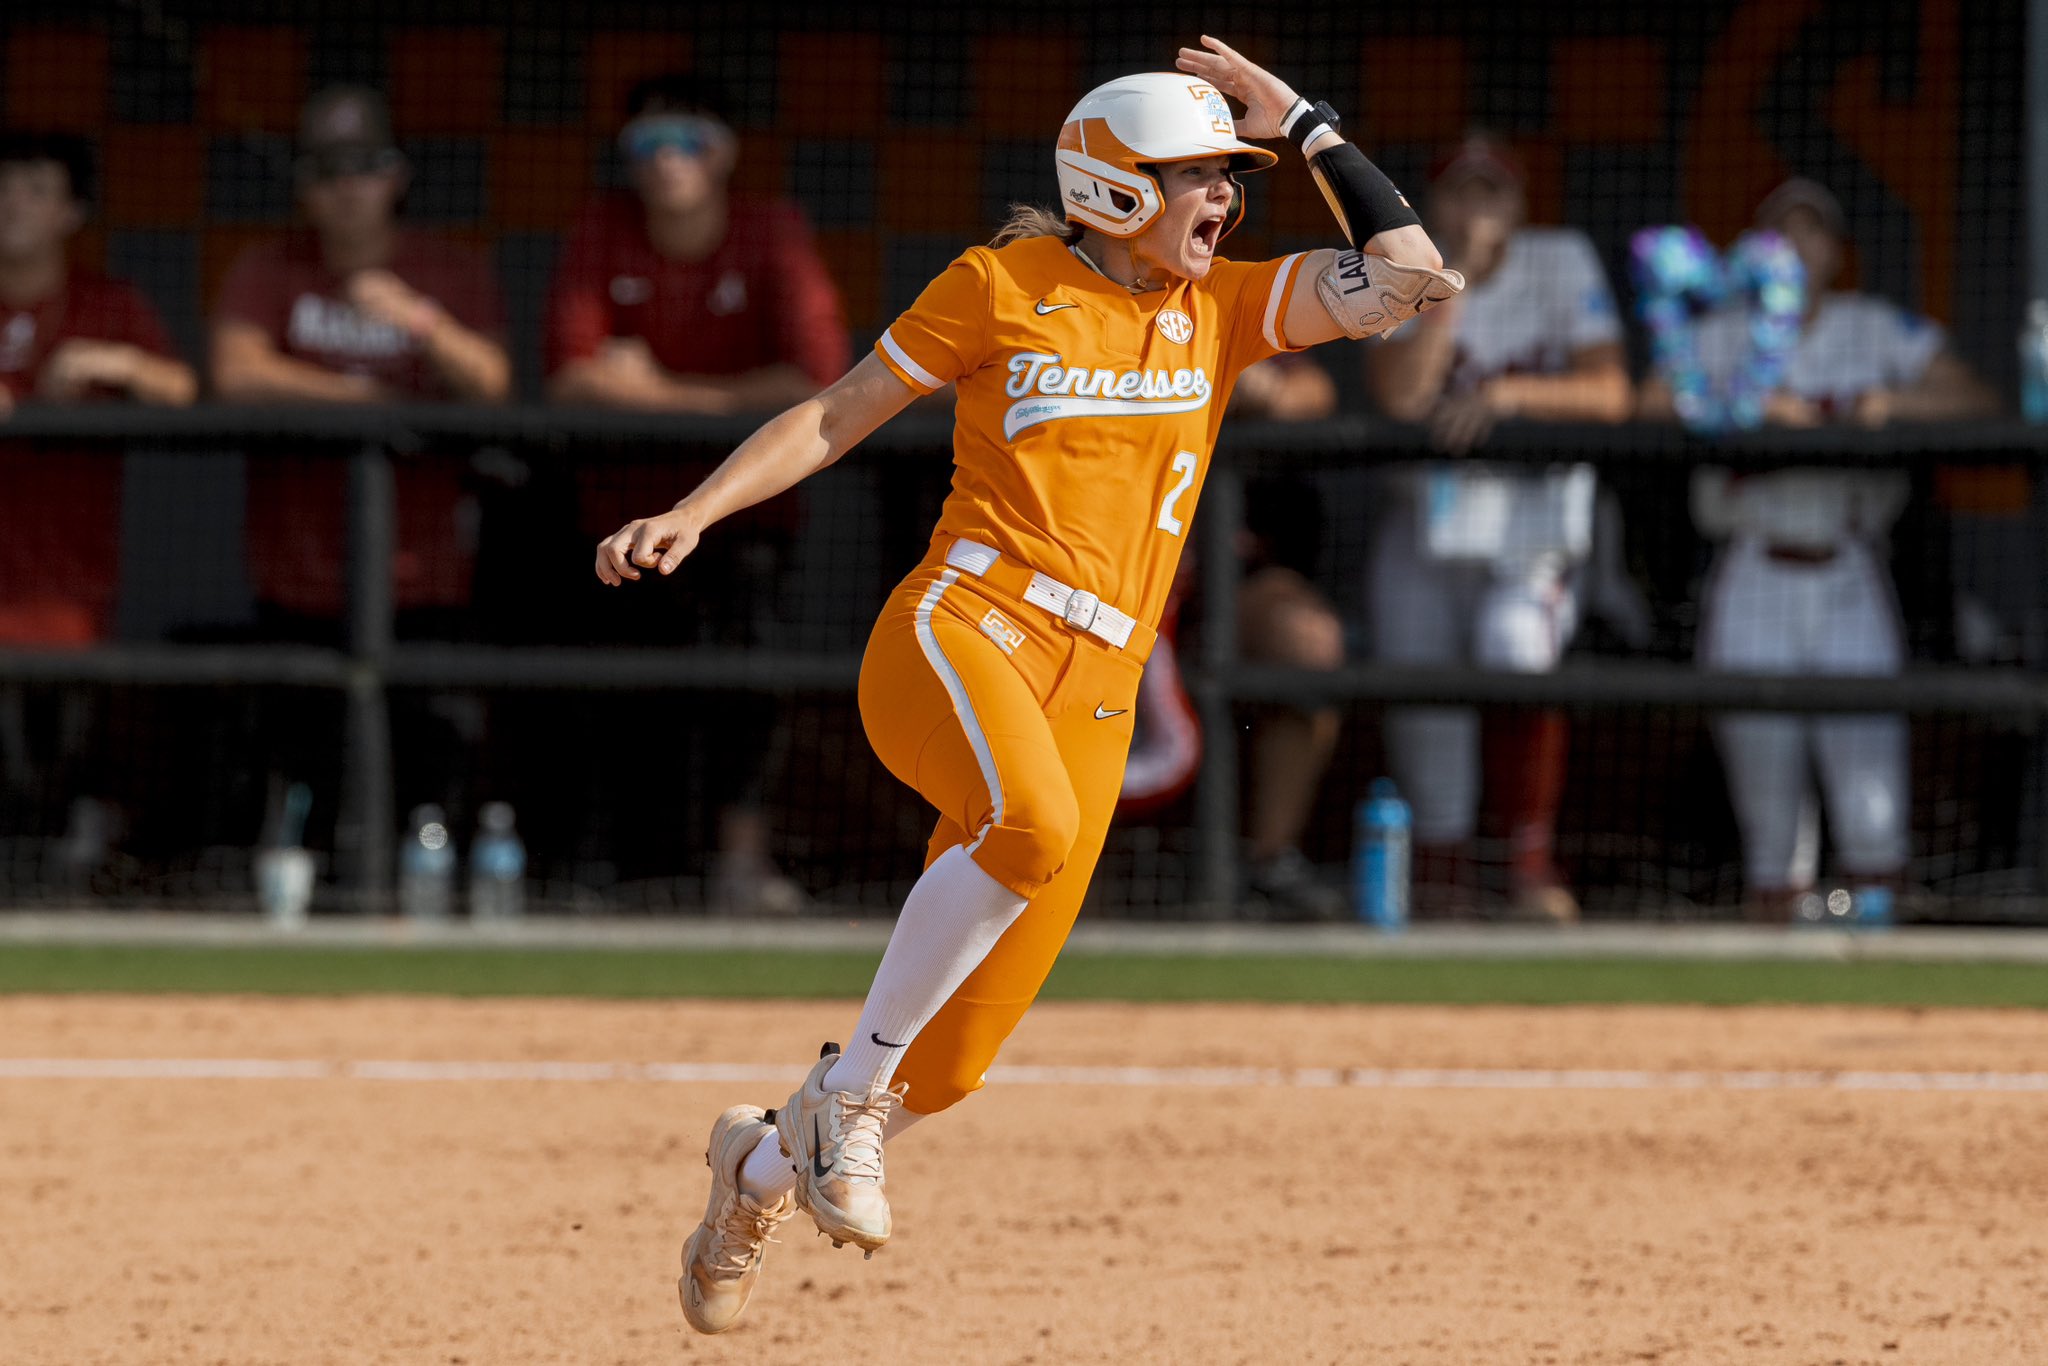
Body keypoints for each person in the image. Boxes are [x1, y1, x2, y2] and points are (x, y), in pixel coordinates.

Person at [594, 39, 1460, 1333]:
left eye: (1229, 178)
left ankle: (760, 1166)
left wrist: (1307, 126)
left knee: (943, 1070)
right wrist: (698, 507)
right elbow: (836, 413)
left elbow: (1413, 279)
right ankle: (840, 1104)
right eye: (1194, 178)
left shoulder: (1220, 305)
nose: (1221, 199)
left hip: (1098, 684)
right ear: (1110, 184)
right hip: (965, 631)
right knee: (1031, 832)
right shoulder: (1003, 284)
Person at [1640, 178, 1999, 920]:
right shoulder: (1723, 329)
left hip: (1849, 568)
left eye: (1813, 233)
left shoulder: (1872, 328)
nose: (1797, 247)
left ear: (1838, 254)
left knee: (1871, 792)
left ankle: (1882, 974)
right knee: (1769, 815)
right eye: (1780, 232)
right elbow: (1642, 404)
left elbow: (1978, 400)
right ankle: (1781, 1000)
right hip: (1752, 565)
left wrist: (1889, 404)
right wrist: (1738, 402)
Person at [547, 72, 851, 914]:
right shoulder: (602, 228)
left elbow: (818, 381)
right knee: (619, 699)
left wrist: (659, 385)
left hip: (742, 523)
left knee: (747, 694)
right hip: (620, 525)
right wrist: (727, 394)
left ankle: (739, 865)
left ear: (723, 153)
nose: (666, 162)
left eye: (687, 140)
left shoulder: (771, 232)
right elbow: (571, 380)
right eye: (647, 143)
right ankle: (611, 872)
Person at [1363, 134, 1632, 921]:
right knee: (1423, 695)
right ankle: (1444, 881)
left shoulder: (1561, 259)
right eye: (1461, 192)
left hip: (1529, 530)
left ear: (1519, 205)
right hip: (1425, 524)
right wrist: (1457, 285)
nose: (1478, 209)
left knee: (1518, 655)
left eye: (1494, 193)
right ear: (1431, 203)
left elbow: (1612, 391)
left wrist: (1510, 397)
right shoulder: (1398, 264)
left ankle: (1526, 868)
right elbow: (1403, 397)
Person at [211, 85, 510, 638]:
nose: (348, 186)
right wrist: (367, 401)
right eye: (328, 170)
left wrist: (422, 321)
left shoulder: (450, 270)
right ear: (304, 183)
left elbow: (493, 384)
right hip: (296, 571)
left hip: (424, 567)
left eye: (366, 166)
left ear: (397, 176)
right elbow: (237, 374)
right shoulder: (268, 267)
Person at [0, 130, 196, 882]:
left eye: (36, 189)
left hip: (69, 592)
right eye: (6, 185)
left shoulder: (104, 304)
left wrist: (117, 361)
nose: (14, 203)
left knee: (54, 766)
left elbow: (183, 391)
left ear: (72, 212)